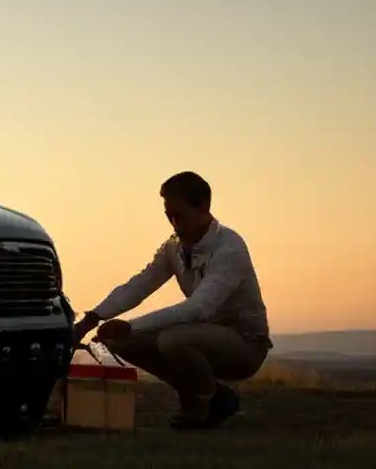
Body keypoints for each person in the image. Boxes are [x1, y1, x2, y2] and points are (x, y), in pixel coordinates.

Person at [72, 171, 272, 430]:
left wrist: (131, 326)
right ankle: (212, 396)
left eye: (180, 215)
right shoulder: (174, 246)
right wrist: (93, 318)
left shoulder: (229, 249)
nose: (174, 224)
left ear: (203, 207)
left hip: (245, 344)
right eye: (169, 216)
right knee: (116, 343)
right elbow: (141, 284)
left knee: (172, 341)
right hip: (203, 333)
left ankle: (199, 405)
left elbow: (198, 308)